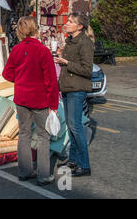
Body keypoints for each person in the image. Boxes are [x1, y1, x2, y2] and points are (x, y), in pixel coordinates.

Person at [3, 16, 59, 186]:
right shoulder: (43, 51)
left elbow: (7, 74)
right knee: (43, 136)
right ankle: (43, 175)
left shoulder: (16, 50)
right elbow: (51, 81)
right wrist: (54, 105)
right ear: (35, 29)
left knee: (24, 134)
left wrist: (20, 80)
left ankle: (24, 171)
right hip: (40, 100)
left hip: (21, 98)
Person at [54, 12, 94, 177]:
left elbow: (87, 69)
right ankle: (73, 161)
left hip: (77, 89)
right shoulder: (71, 40)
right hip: (68, 87)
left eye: (70, 22)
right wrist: (62, 57)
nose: (67, 23)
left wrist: (66, 63)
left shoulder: (85, 42)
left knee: (76, 127)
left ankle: (84, 165)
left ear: (79, 26)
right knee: (71, 127)